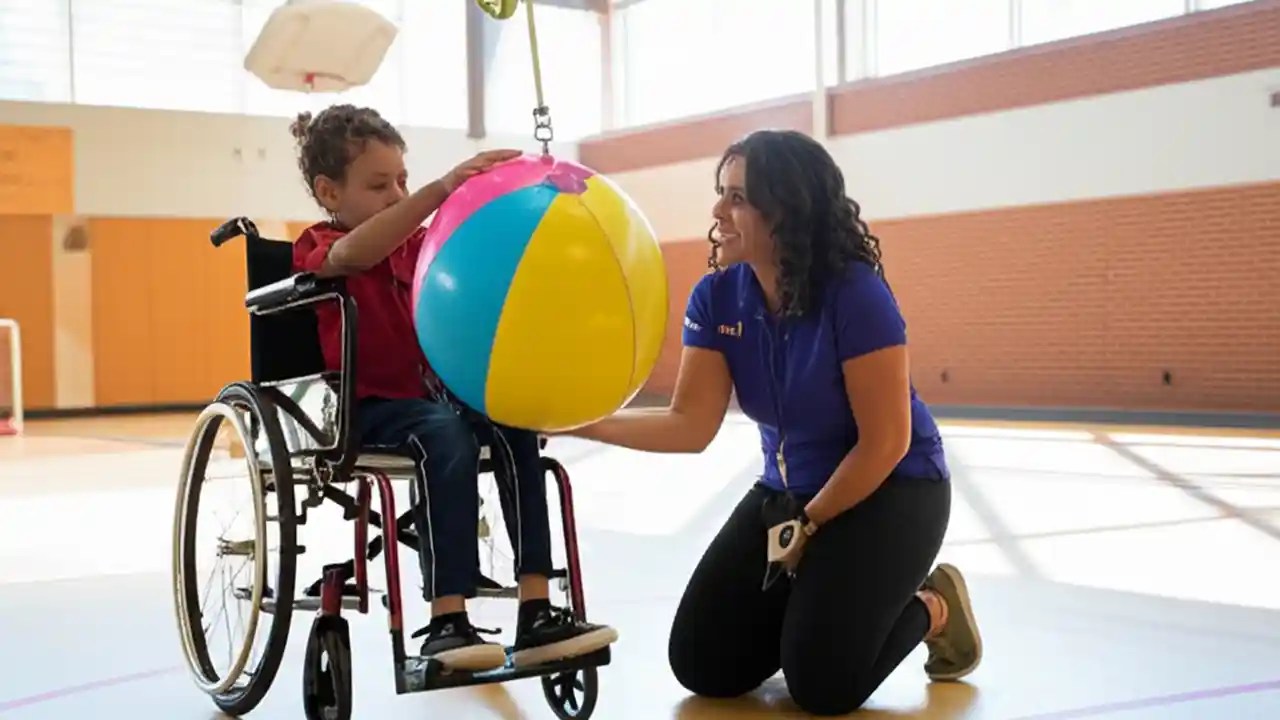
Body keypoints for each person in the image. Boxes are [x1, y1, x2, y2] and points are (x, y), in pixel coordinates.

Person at [567, 129, 981, 715]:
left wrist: (809, 528)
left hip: (892, 491)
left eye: (737, 197)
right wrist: (584, 423)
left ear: (786, 209)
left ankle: (933, 605)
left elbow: (887, 440)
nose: (718, 211)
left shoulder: (855, 294)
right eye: (722, 193)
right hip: (788, 495)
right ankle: (822, 612)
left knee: (823, 688)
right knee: (701, 663)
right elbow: (690, 424)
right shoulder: (716, 297)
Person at [289, 104, 617, 672]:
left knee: (512, 416)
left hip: (434, 401)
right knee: (444, 435)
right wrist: (441, 188)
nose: (397, 195)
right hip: (373, 409)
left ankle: (536, 607)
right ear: (329, 191)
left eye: (402, 181)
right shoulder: (318, 243)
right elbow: (354, 254)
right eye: (378, 184)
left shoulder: (420, 248)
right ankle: (447, 620)